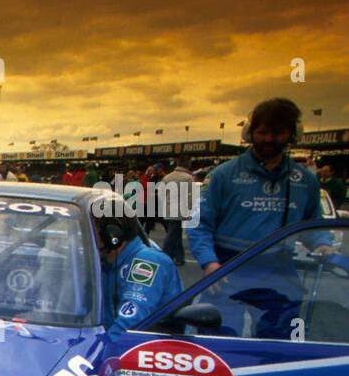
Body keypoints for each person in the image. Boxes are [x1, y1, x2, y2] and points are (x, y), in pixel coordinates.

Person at [188, 97, 333, 336]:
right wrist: (209, 263)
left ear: (292, 135)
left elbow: (312, 225)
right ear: (250, 132)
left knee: (277, 346)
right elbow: (199, 223)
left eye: (277, 133)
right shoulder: (223, 175)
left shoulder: (304, 180)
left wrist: (324, 245)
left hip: (278, 268)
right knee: (217, 342)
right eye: (263, 132)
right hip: (227, 265)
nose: (269, 139)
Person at [93, 210, 181, 338]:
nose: (85, 236)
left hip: (151, 347)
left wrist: (100, 347)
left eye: (92, 230)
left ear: (112, 235)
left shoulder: (146, 262)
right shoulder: (104, 263)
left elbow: (130, 321)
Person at [158, 159, 194, 265]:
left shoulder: (167, 177)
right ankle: (165, 256)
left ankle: (179, 257)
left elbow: (161, 193)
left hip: (168, 208)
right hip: (180, 209)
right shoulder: (188, 178)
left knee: (176, 233)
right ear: (188, 165)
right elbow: (191, 195)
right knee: (173, 234)